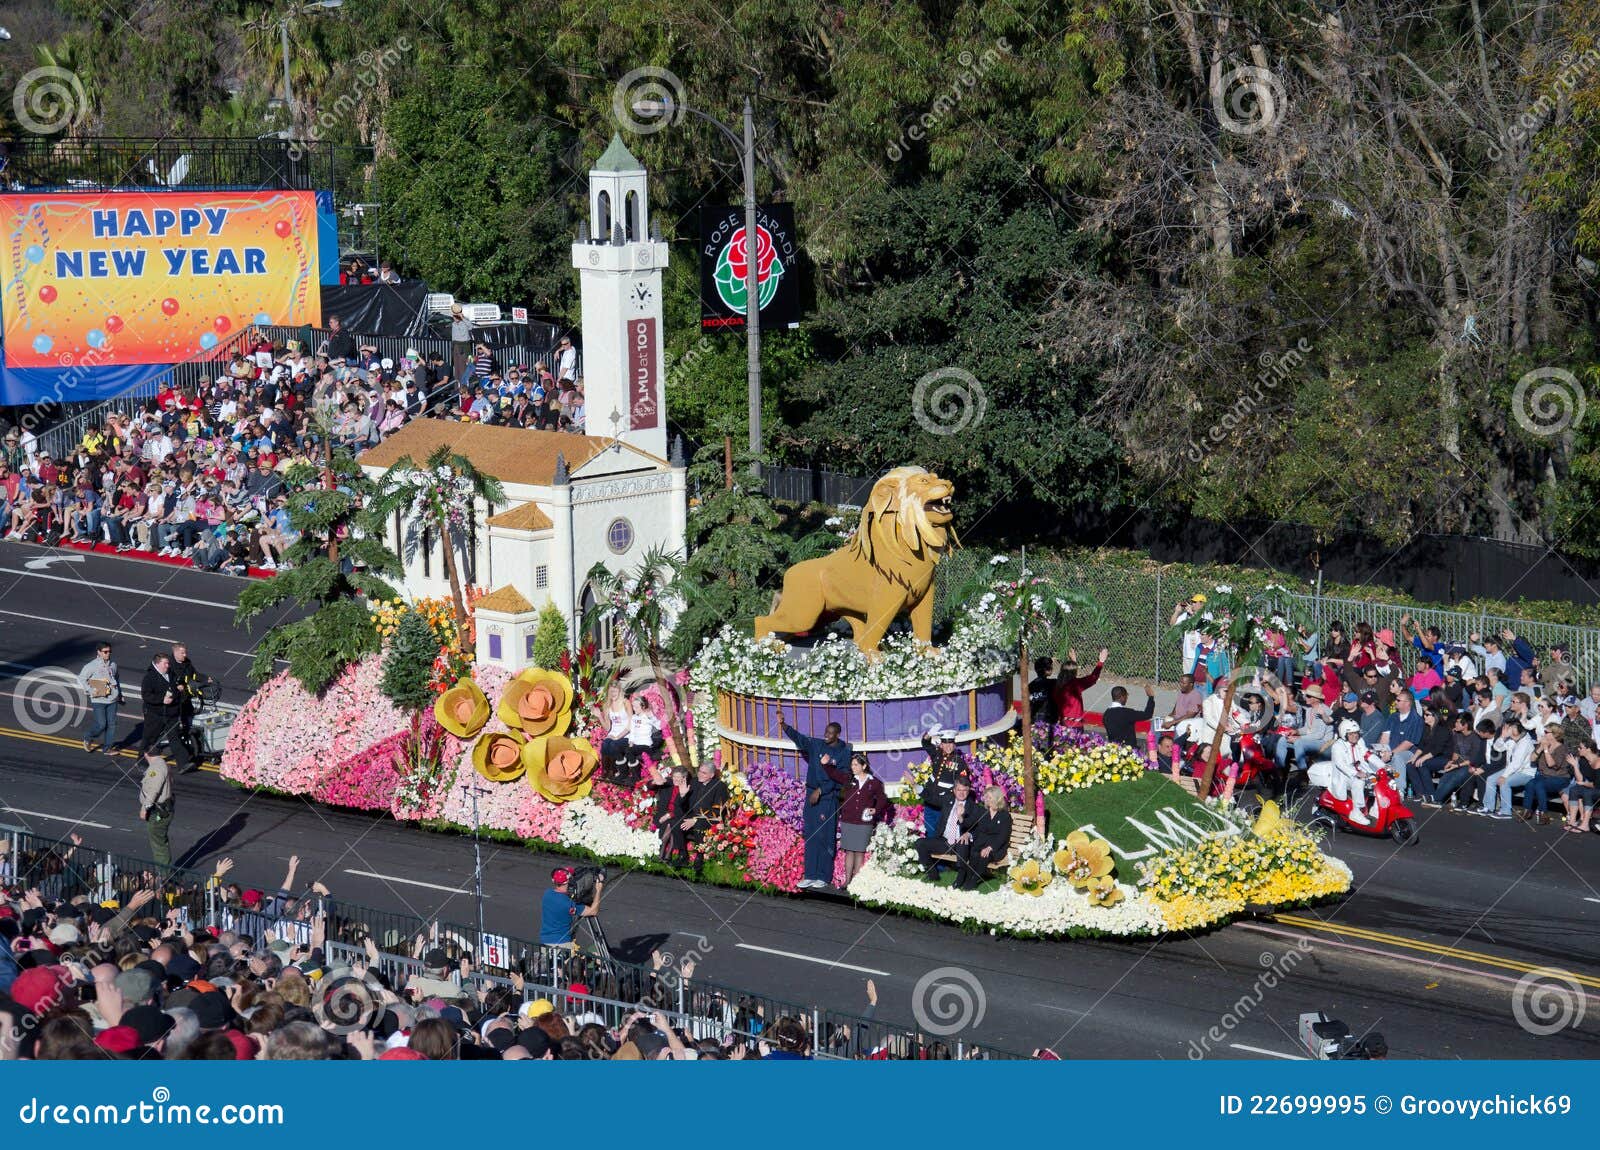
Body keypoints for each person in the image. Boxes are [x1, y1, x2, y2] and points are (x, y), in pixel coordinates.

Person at [780, 709, 848, 890]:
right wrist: (784, 725)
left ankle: (823, 876)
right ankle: (810, 875)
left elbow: (842, 778)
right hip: (810, 797)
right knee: (810, 835)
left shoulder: (844, 751)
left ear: (837, 734)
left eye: (830, 733)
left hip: (827, 799)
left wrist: (820, 790)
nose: (826, 735)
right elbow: (800, 739)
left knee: (824, 837)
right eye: (825, 732)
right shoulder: (817, 745)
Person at [824, 752, 890, 883]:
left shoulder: (874, 782)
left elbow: (883, 799)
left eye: (855, 764)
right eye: (852, 764)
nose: (852, 767)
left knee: (859, 852)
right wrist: (826, 765)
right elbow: (834, 774)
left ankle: (856, 883)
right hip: (848, 821)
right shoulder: (849, 779)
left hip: (864, 823)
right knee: (849, 852)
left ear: (864, 766)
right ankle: (847, 881)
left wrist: (875, 809)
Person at [914, 771, 981, 884]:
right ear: (954, 790)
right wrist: (914, 784)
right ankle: (932, 874)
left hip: (961, 844)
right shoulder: (947, 800)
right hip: (945, 841)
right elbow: (931, 798)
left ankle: (960, 877)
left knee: (962, 842)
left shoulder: (973, 808)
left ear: (969, 791)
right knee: (920, 843)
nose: (961, 793)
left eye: (965, 790)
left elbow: (977, 827)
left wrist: (963, 823)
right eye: (959, 790)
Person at [139, 653, 192, 775]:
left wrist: (180, 687)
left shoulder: (170, 673)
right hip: (155, 714)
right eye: (165, 663)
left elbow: (176, 684)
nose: (168, 666)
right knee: (149, 738)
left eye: (168, 663)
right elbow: (146, 695)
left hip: (170, 713)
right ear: (157, 664)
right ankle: (142, 762)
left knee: (174, 737)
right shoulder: (150, 677)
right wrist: (161, 700)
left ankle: (183, 764)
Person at [1480, 719, 1536, 820]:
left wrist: (1504, 776)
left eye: (1506, 728)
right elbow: (1497, 748)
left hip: (1525, 773)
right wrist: (1502, 737)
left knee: (1504, 782)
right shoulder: (1510, 739)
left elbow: (1516, 764)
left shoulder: (1525, 742)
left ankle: (1506, 812)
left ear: (1514, 728)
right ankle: (1488, 807)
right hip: (1512, 769)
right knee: (1491, 779)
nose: (1504, 729)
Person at [917, 728, 968, 837]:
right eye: (945, 743)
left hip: (943, 802)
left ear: (954, 744)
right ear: (941, 744)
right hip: (929, 798)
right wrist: (929, 734)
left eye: (951, 743)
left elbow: (963, 783)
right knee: (929, 829)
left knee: (940, 832)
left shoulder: (959, 762)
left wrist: (950, 796)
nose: (948, 746)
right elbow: (925, 742)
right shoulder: (937, 754)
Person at [1328, 719, 1378, 825]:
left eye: (1356, 733)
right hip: (1344, 777)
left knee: (1379, 782)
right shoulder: (1338, 746)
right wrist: (1356, 773)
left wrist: (1383, 766)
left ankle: (1375, 809)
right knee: (1358, 782)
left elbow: (1368, 754)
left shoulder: (1360, 742)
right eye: (1351, 733)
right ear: (1344, 734)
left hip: (1362, 772)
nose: (1355, 736)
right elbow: (1340, 765)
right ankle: (1356, 812)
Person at [539, 867, 602, 951]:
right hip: (563, 945)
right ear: (568, 882)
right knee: (593, 953)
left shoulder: (547, 894)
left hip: (545, 942)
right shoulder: (568, 904)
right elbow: (593, 911)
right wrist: (598, 890)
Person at [77, 640, 122, 754]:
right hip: (99, 700)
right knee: (101, 724)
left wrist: (120, 694)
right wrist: (91, 690)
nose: (108, 654)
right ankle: (88, 737)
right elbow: (81, 678)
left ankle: (107, 749)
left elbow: (117, 679)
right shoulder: (91, 666)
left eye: (109, 651)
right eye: (105, 652)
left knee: (111, 725)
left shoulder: (113, 665)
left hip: (112, 699)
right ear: (99, 652)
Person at [1053, 648, 1108, 726]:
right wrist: (1101, 661)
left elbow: (1070, 674)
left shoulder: (1056, 684)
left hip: (1060, 723)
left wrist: (1073, 661)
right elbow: (1093, 678)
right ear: (1074, 672)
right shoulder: (1076, 684)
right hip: (1074, 725)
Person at [138, 753, 174, 866]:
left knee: (159, 846)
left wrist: (144, 808)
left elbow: (154, 791)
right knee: (160, 842)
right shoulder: (160, 764)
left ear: (146, 754)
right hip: (162, 808)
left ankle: (164, 876)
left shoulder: (157, 769)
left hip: (158, 811)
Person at [1101, 684, 1155, 748]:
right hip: (1128, 750)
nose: (1127, 698)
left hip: (1113, 750)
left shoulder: (1106, 714)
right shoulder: (1127, 713)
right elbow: (1147, 714)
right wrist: (1151, 697)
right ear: (1122, 697)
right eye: (1126, 696)